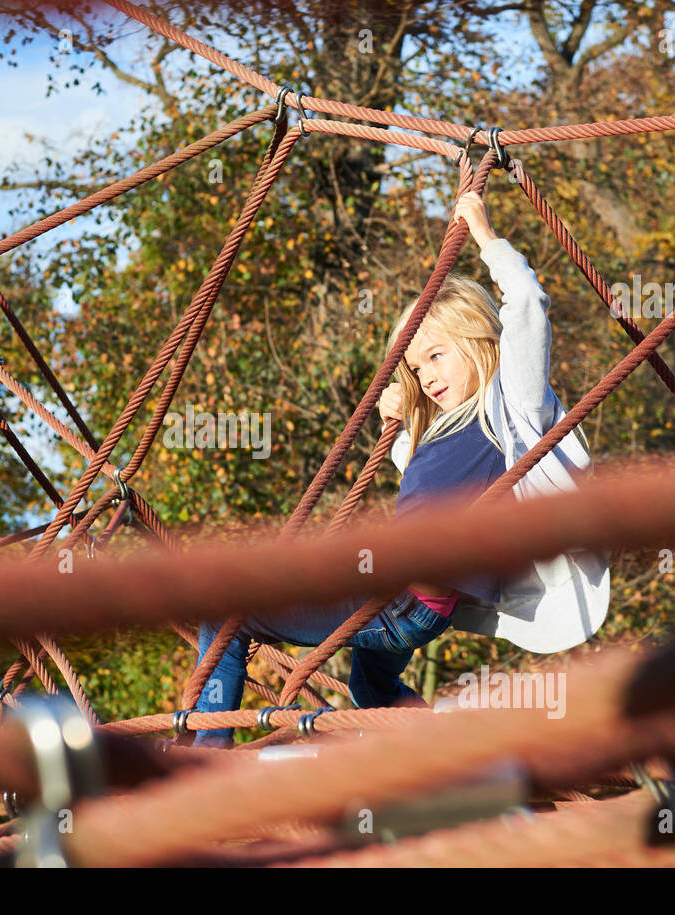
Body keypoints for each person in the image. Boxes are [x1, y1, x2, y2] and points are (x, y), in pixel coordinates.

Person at [189, 191, 609, 748]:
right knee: (371, 681)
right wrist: (402, 424)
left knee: (223, 613)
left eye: (438, 355)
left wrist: (484, 234)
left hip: (400, 597)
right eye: (417, 366)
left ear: (480, 341)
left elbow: (528, 303)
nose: (427, 376)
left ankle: (203, 755)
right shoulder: (447, 426)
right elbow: (426, 485)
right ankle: (438, 753)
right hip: (410, 604)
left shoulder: (511, 408)